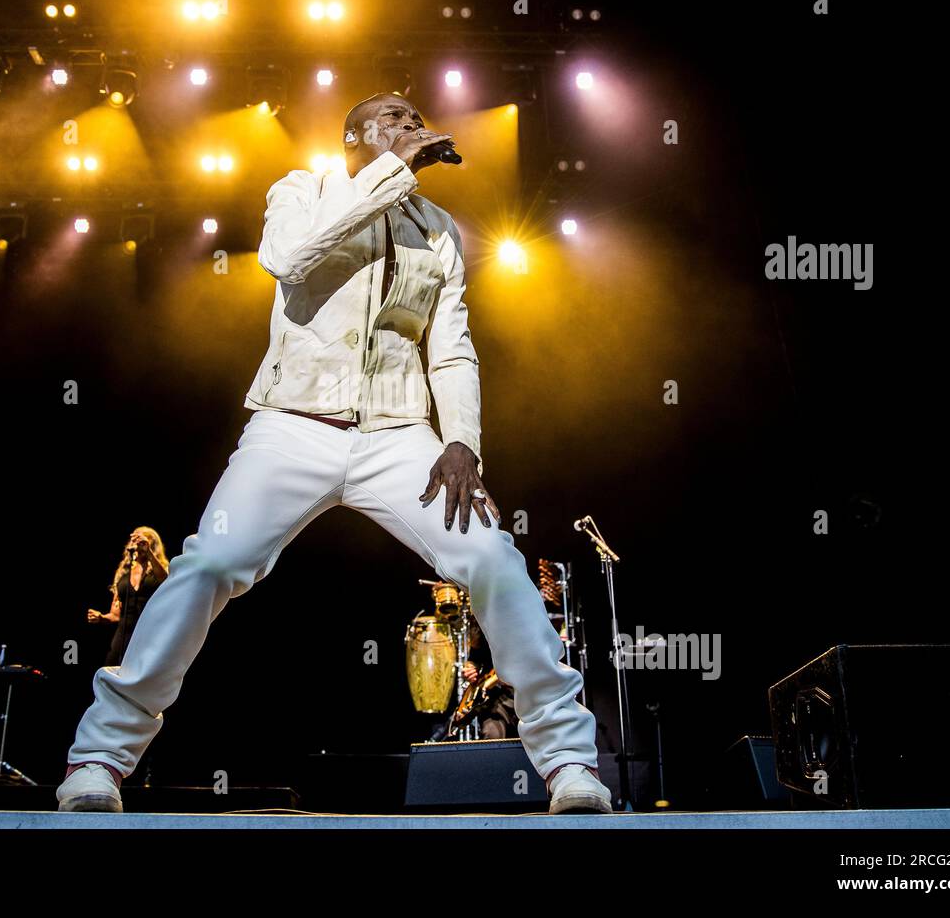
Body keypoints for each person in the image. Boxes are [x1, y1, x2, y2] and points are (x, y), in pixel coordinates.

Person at [56, 92, 612, 815]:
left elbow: (452, 349)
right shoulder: (303, 190)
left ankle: (569, 764)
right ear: (355, 135)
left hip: (399, 434)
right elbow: (289, 259)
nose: (415, 123)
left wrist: (461, 442)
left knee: (492, 561)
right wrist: (391, 173)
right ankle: (99, 760)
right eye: (396, 116)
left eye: (418, 116)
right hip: (293, 424)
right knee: (211, 564)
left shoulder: (438, 231)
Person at [86, 528, 170, 668]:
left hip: (149, 634)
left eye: (142, 541)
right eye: (135, 540)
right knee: (111, 671)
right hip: (123, 635)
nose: (137, 544)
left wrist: (148, 552)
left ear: (151, 545)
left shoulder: (160, 570)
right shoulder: (123, 573)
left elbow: (164, 579)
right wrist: (101, 617)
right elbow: (115, 615)